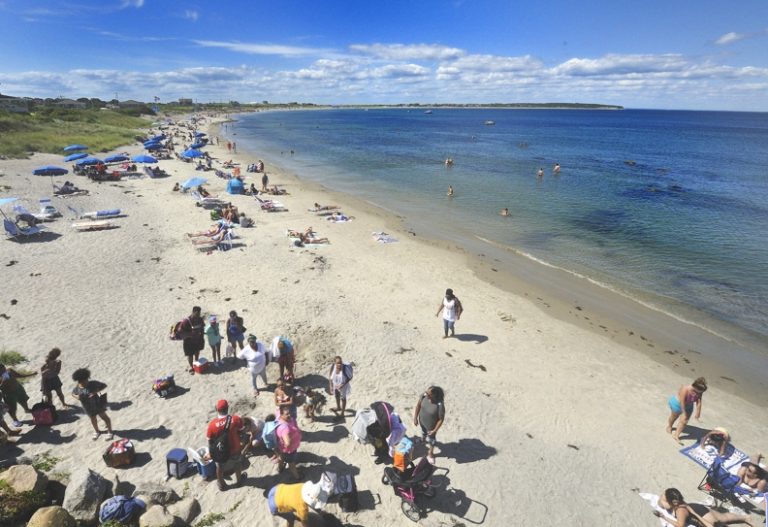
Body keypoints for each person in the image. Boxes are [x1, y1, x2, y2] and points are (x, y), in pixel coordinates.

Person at [655, 487, 754, 527]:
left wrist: (664, 517)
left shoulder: (680, 510)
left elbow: (680, 525)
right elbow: (661, 500)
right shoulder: (677, 503)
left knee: (723, 518)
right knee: (723, 517)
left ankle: (745, 517)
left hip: (704, 516)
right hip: (696, 508)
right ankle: (745, 517)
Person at [206, 399, 245, 491]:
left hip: (221, 452)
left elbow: (209, 440)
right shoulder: (235, 419)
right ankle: (239, 481)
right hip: (235, 449)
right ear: (227, 408)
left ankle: (222, 485)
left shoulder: (212, 425)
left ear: (217, 409)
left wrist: (211, 453)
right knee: (237, 464)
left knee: (219, 468)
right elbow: (242, 429)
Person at [71, 368, 113, 440]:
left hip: (98, 404)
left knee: (104, 417)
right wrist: (77, 397)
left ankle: (110, 432)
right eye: (84, 381)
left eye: (86, 379)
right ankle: (97, 431)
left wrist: (96, 391)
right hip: (88, 407)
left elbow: (104, 386)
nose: (86, 381)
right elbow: (73, 393)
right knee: (93, 419)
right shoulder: (78, 387)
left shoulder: (93, 383)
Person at [666, 377, 707, 444]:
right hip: (677, 404)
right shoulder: (685, 389)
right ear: (695, 387)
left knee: (684, 421)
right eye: (697, 392)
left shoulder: (700, 391)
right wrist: (684, 413)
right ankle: (669, 426)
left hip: (689, 405)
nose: (698, 394)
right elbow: (682, 402)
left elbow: (699, 402)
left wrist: (698, 413)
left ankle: (676, 435)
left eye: (700, 393)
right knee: (674, 417)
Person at [413, 386, 445, 464]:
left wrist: (434, 430)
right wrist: (415, 417)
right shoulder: (423, 396)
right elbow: (418, 406)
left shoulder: (439, 405)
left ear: (434, 395)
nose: (425, 394)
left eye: (428, 393)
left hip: (431, 428)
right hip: (422, 422)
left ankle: (430, 454)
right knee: (423, 432)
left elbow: (441, 419)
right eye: (426, 392)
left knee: (432, 441)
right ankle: (422, 440)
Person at [275, 406, 302, 480]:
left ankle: (280, 469)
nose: (289, 415)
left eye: (289, 413)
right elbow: (287, 443)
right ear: (281, 415)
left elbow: (277, 409)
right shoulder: (284, 428)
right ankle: (298, 477)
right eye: (287, 414)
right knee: (292, 465)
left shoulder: (288, 419)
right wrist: (286, 449)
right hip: (289, 451)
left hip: (283, 449)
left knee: (281, 458)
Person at [181, 307, 206, 374]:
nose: (198, 315)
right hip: (188, 342)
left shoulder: (200, 319)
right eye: (197, 313)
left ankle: (196, 363)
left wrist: (202, 337)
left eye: (199, 313)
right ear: (193, 312)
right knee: (190, 355)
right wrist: (190, 334)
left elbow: (202, 327)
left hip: (198, 340)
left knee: (197, 352)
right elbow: (181, 332)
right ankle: (191, 367)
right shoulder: (186, 321)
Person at [328, 356, 351, 421]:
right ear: (335, 363)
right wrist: (330, 386)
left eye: (340, 363)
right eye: (338, 363)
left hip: (343, 384)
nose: (339, 364)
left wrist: (342, 385)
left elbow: (349, 377)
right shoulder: (333, 366)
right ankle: (338, 407)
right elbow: (330, 376)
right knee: (336, 395)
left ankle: (342, 414)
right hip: (335, 383)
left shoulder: (345, 369)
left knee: (343, 398)